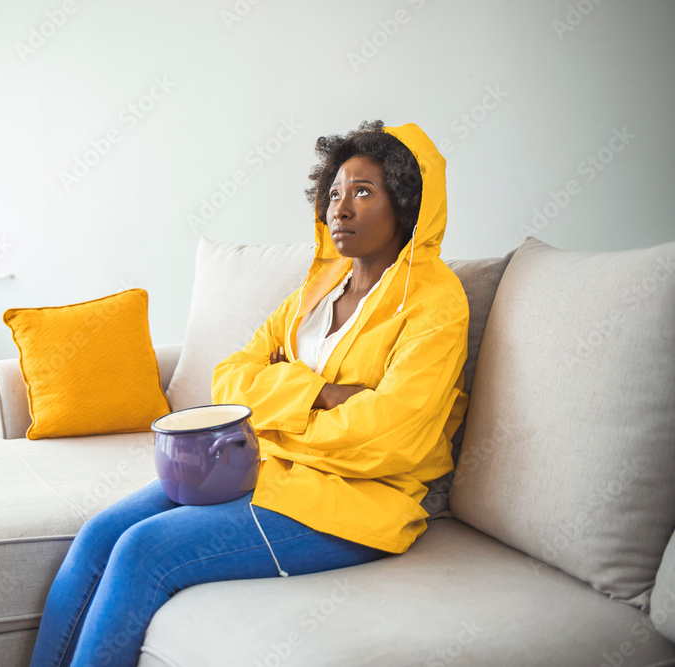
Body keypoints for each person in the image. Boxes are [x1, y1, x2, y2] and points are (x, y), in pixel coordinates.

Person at [28, 120, 470, 667]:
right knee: (99, 536)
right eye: (333, 192)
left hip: (350, 504)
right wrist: (323, 393)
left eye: (362, 191)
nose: (341, 208)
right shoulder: (318, 290)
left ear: (406, 202)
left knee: (142, 553)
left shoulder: (435, 302)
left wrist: (271, 414)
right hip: (261, 466)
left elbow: (389, 435)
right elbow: (231, 376)